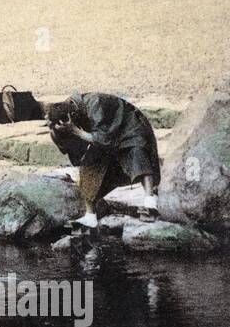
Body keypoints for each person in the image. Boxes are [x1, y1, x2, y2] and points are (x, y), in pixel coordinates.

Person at [48, 92, 161, 227]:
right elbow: (73, 145)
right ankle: (90, 216)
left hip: (129, 125)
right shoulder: (62, 112)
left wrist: (76, 131)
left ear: (72, 116)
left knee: (136, 152)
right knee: (89, 165)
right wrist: (55, 131)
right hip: (101, 134)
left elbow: (103, 139)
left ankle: (150, 201)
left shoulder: (95, 104)